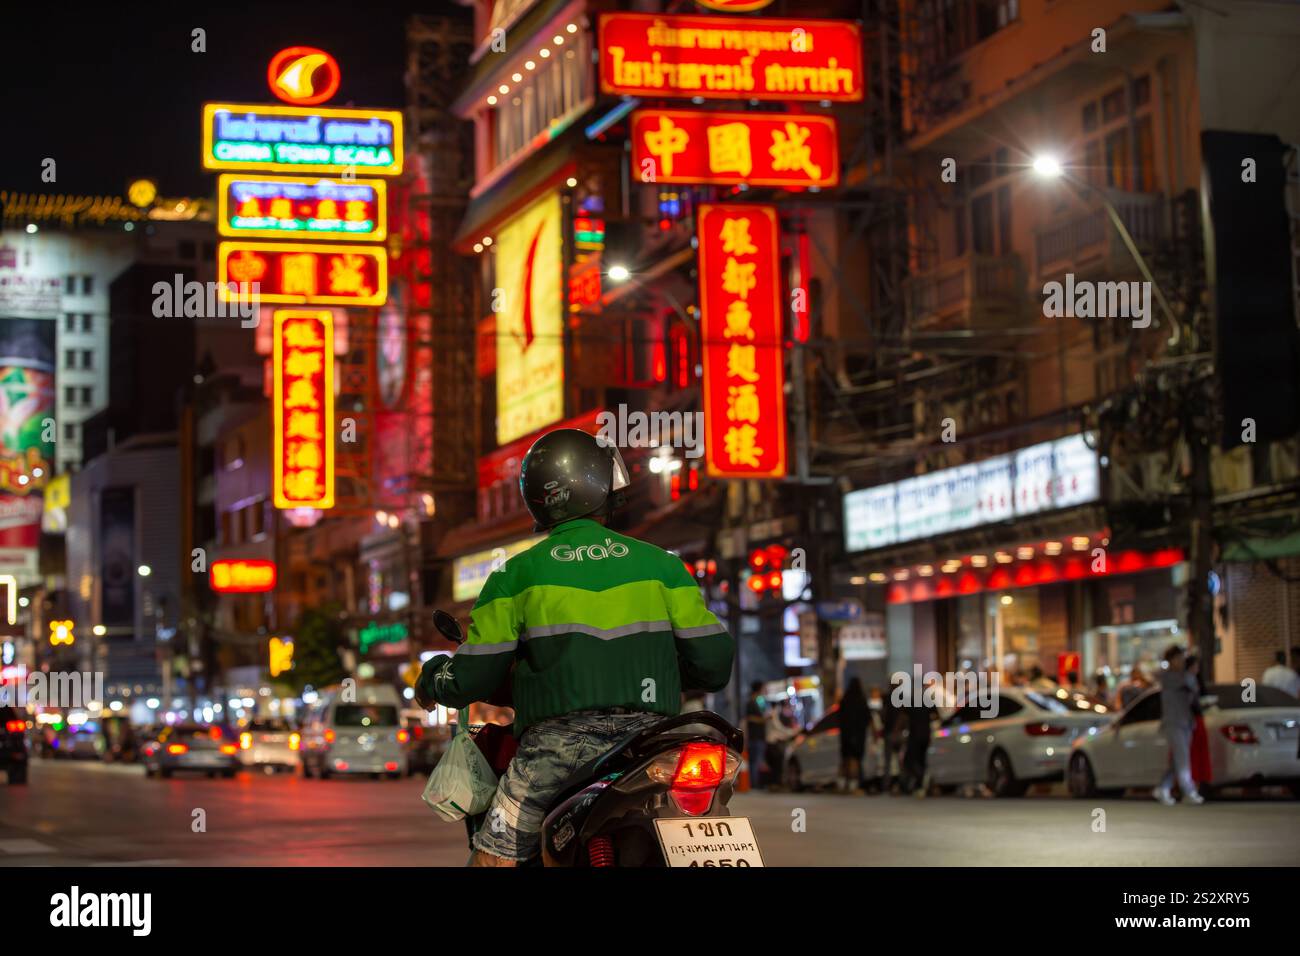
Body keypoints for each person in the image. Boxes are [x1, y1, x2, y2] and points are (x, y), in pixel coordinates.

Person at [415, 429, 735, 866]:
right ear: (601, 486)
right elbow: (715, 664)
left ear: (538, 498)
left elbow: (476, 676)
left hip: (557, 750)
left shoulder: (515, 577)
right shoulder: (665, 567)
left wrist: (435, 677)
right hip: (654, 744)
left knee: (493, 859)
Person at [1154, 645, 1203, 806]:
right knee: (1183, 759)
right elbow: (1190, 683)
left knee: (1177, 759)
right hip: (1173, 723)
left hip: (1186, 722)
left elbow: (1195, 691)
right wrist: (1192, 673)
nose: (1182, 661)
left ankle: (1163, 787)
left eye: (1183, 658)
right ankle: (1188, 792)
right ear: (1171, 660)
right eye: (1179, 658)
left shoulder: (1184, 676)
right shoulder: (1169, 677)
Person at [837, 677, 870, 793]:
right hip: (858, 735)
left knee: (845, 760)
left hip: (845, 735)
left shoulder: (845, 700)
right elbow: (867, 718)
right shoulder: (861, 700)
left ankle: (841, 784)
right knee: (854, 760)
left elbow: (839, 717)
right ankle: (853, 785)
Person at [1185, 654, 1212, 788]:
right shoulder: (1184, 681)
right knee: (1191, 753)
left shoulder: (1197, 682)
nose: (1196, 669)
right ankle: (1191, 782)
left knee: (1198, 752)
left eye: (1197, 666)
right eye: (1194, 666)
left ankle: (1199, 781)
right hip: (1189, 719)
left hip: (1197, 719)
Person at [763, 700, 799, 789]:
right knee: (776, 764)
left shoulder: (770, 714)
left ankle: (774, 784)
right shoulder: (772, 714)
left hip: (771, 742)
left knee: (775, 764)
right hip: (772, 742)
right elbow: (778, 727)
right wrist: (792, 732)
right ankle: (775, 783)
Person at [744, 682, 766, 789]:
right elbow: (750, 718)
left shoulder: (757, 702)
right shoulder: (751, 703)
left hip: (758, 736)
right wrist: (763, 719)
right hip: (755, 736)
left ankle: (754, 783)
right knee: (755, 761)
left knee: (756, 760)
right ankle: (754, 784)